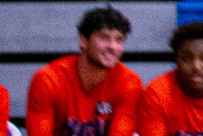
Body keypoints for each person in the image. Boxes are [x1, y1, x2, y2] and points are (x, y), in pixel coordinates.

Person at [26, 8, 144, 136]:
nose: (113, 47)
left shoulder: (129, 82)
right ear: (83, 41)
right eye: (104, 37)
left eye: (119, 40)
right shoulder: (48, 79)